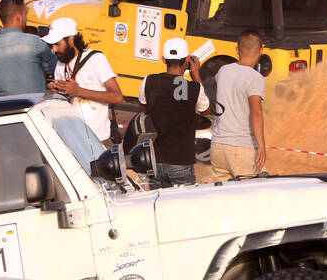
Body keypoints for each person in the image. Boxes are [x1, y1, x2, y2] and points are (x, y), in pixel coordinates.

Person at [138, 37, 210, 185]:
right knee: (181, 207)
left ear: (164, 60)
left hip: (154, 160)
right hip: (180, 161)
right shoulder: (192, 87)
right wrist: (196, 74)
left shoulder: (149, 80)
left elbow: (143, 105)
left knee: (156, 206)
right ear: (187, 61)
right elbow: (206, 110)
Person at [44, 17, 125, 146]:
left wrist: (79, 91)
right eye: (51, 45)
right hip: (73, 139)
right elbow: (66, 103)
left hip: (99, 140)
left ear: (71, 39)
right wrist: (55, 93)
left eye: (57, 44)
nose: (54, 50)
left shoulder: (96, 59)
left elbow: (118, 97)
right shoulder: (60, 64)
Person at [0, 0, 58, 99]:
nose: (26, 19)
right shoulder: (36, 43)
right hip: (34, 111)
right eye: (25, 14)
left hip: (5, 113)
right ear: (19, 17)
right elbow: (57, 70)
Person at [210, 30, 267, 180]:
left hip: (218, 146)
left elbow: (214, 81)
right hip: (241, 148)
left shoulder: (223, 70)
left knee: (221, 196)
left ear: (237, 50)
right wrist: (261, 146)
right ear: (261, 49)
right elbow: (256, 112)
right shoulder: (255, 78)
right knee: (247, 198)